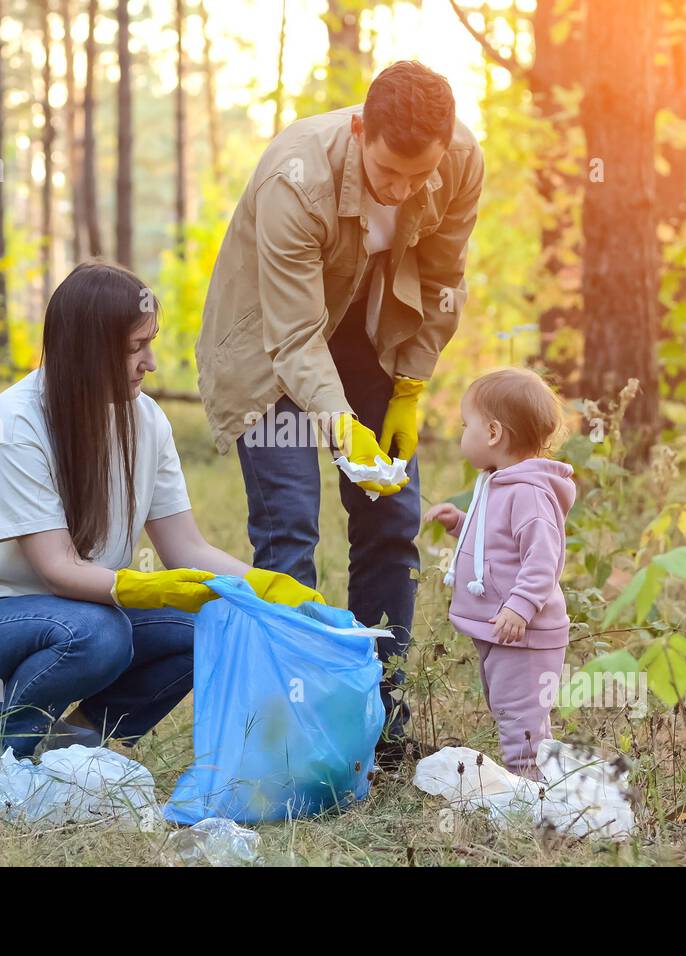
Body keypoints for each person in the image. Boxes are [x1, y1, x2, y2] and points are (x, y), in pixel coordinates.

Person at [0, 261, 323, 767]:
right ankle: (0, 755)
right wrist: (143, 588)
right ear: (86, 350)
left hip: (75, 612)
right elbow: (57, 569)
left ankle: (70, 747)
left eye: (151, 342)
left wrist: (272, 591)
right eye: (133, 348)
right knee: (100, 634)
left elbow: (186, 548)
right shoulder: (14, 428)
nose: (150, 362)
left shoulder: (146, 420)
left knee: (209, 625)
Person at [195, 61, 485, 766]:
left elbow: (444, 282)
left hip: (371, 333)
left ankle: (379, 712)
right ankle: (298, 725)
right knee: (291, 527)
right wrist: (339, 422)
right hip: (269, 342)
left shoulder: (463, 160)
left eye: (421, 177)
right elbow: (294, 338)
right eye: (390, 174)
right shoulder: (295, 177)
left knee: (392, 519)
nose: (404, 191)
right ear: (362, 129)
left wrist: (409, 388)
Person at [424, 369, 575, 779]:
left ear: (492, 433)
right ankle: (542, 784)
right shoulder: (498, 483)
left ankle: (531, 793)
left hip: (522, 633)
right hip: (502, 630)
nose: (461, 434)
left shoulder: (528, 491)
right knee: (511, 711)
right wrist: (459, 523)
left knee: (520, 722)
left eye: (464, 425)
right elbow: (499, 541)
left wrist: (521, 606)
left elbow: (544, 557)